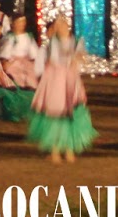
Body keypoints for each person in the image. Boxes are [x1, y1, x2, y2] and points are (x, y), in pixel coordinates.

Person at [26, 16, 97, 163]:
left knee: (72, 111)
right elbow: (52, 59)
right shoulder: (52, 43)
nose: (60, 27)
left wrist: (74, 59)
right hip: (56, 79)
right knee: (55, 112)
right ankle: (55, 151)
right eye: (57, 25)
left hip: (69, 79)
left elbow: (80, 57)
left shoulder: (77, 41)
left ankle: (70, 149)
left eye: (62, 24)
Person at [0, 16, 41, 89]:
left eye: (23, 22)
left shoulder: (28, 36)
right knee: (14, 73)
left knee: (31, 74)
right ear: (14, 24)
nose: (22, 24)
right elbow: (6, 49)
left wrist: (35, 58)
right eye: (19, 22)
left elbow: (33, 49)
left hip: (26, 60)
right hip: (13, 60)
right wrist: (4, 61)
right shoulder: (11, 36)